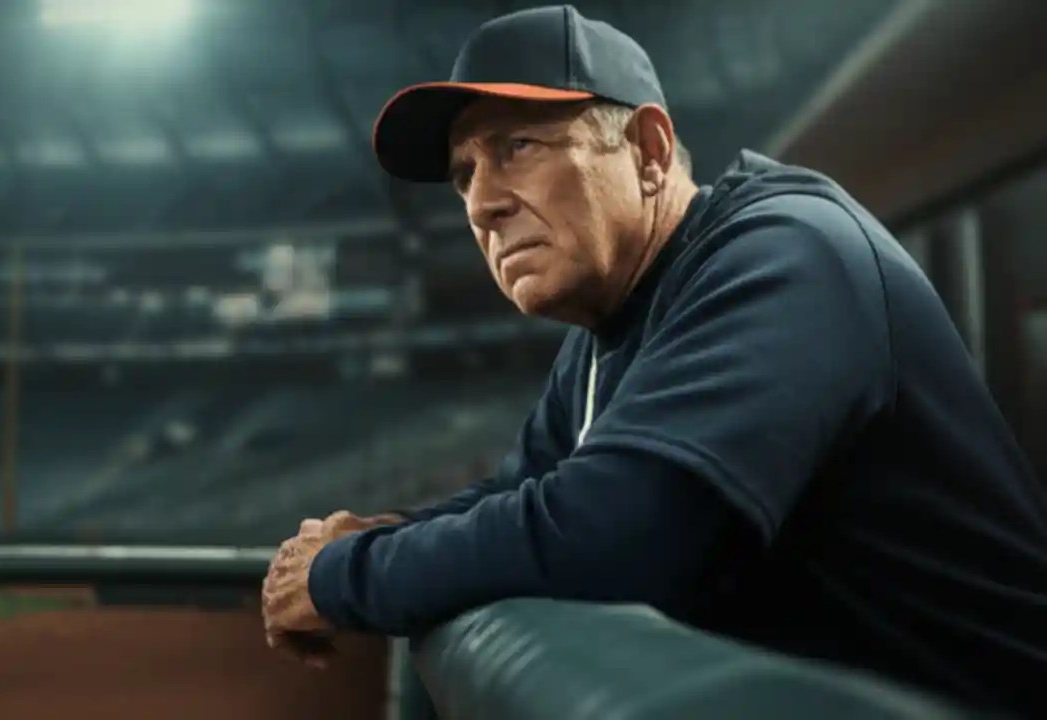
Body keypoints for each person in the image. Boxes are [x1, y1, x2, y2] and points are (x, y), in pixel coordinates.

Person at [260, 5, 1047, 716]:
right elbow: (520, 493)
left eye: (518, 146)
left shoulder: (785, 253)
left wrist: (343, 575)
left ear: (646, 149)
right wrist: (376, 532)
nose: (480, 203)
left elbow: (618, 530)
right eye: (466, 173)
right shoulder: (607, 328)